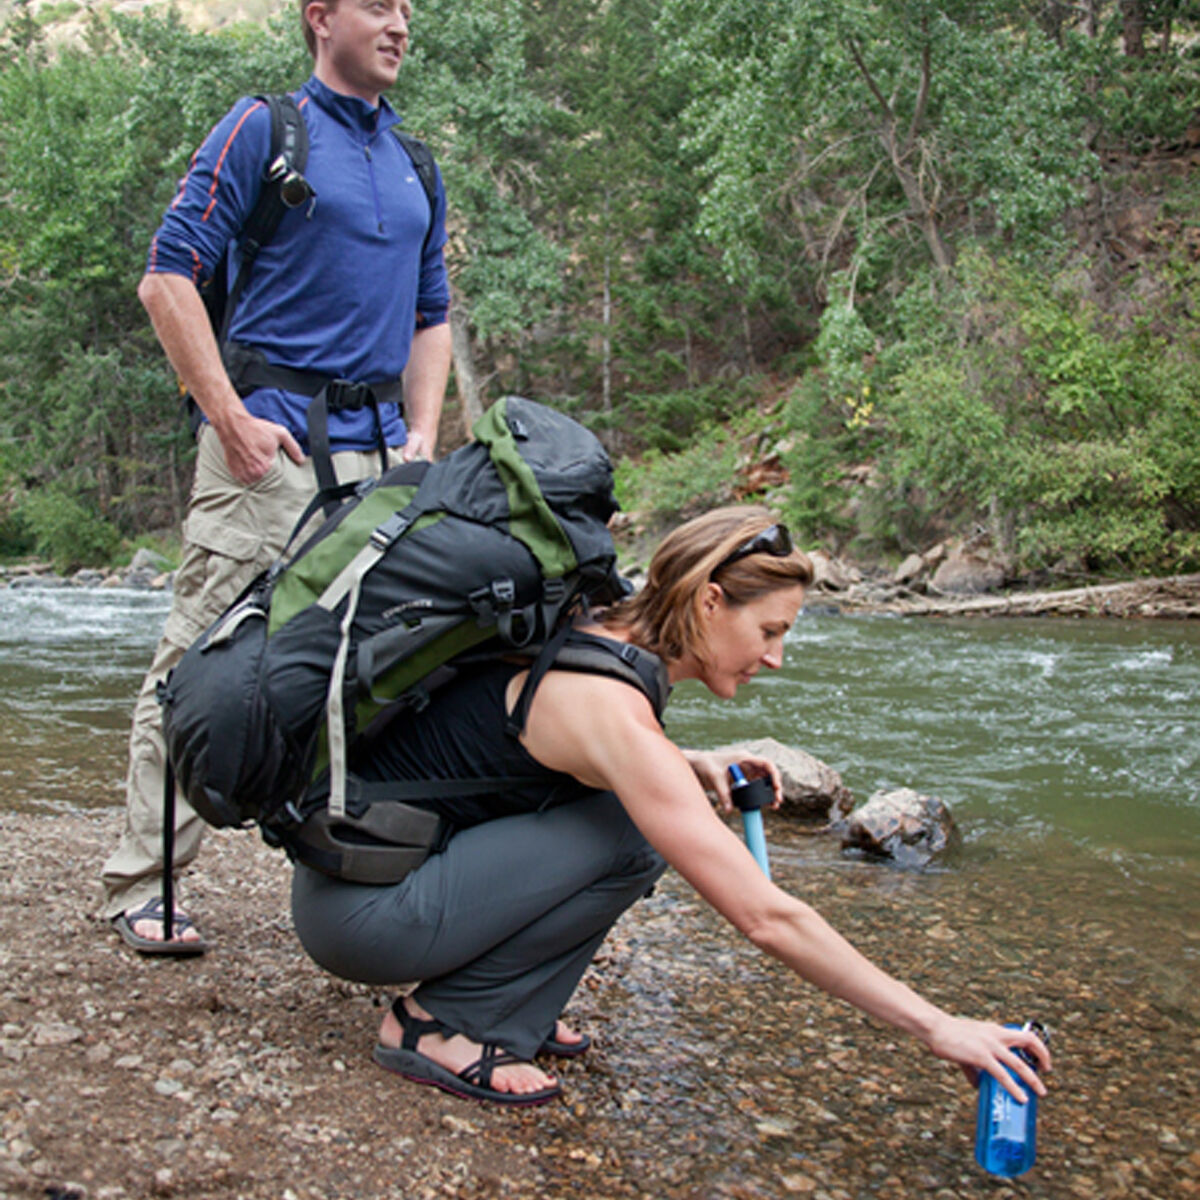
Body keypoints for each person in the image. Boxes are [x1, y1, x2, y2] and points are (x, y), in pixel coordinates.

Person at [289, 506, 1052, 1106]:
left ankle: (504, 1002)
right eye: (770, 631)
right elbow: (767, 917)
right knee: (633, 834)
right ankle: (441, 1027)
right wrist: (937, 1025)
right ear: (712, 600)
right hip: (362, 917)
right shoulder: (616, 709)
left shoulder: (601, 615)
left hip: (368, 869)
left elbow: (529, 738)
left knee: (642, 814)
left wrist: (687, 762)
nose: (776, 658)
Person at [102, 0, 452, 955]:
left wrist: (422, 432)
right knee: (203, 652)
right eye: (379, 5)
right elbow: (168, 277)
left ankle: (349, 862)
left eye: (408, 9)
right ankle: (144, 882)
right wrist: (230, 418)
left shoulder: (417, 163)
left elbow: (431, 315)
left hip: (382, 459)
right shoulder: (265, 129)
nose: (401, 24)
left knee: (369, 670)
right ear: (319, 18)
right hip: (270, 448)